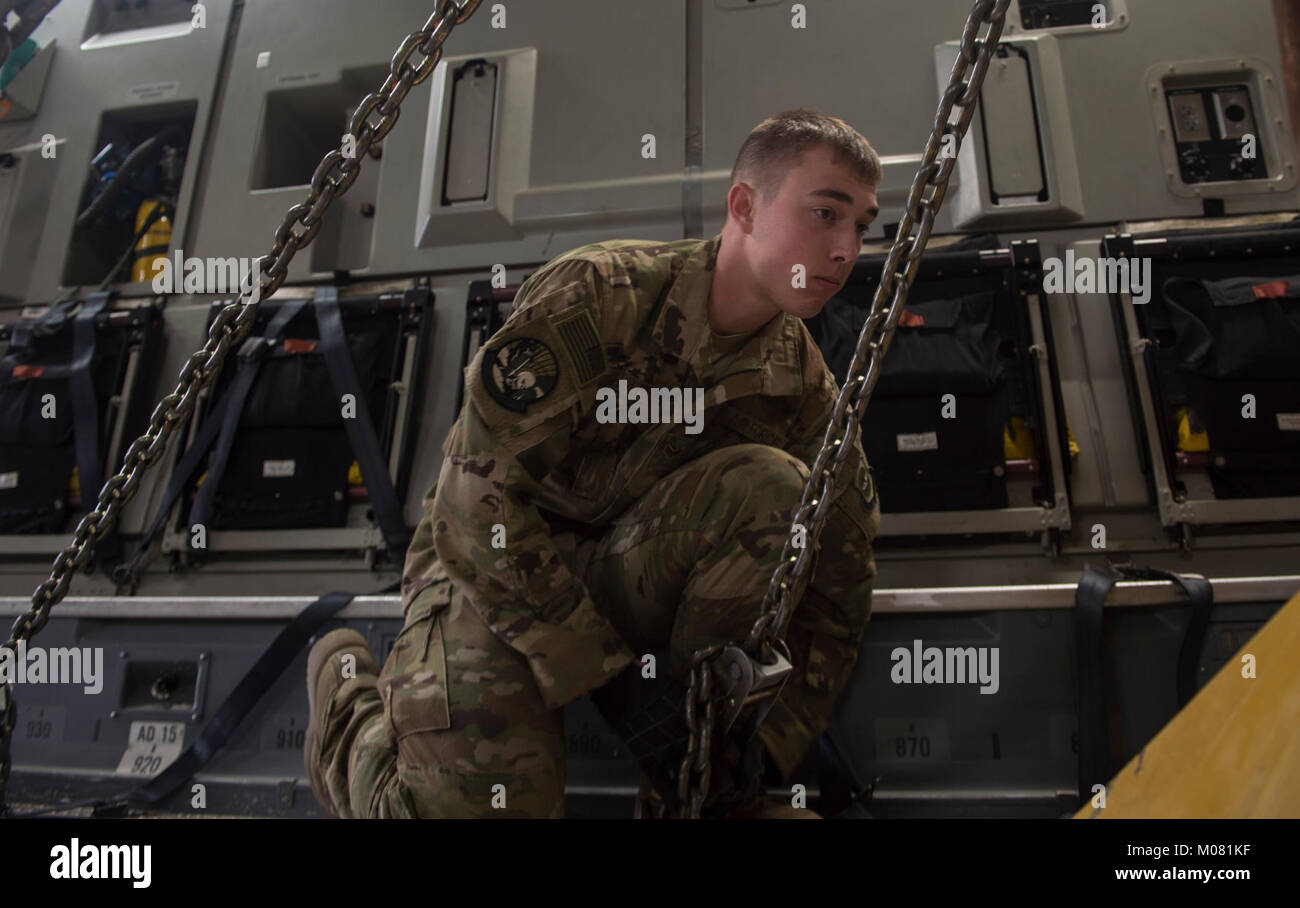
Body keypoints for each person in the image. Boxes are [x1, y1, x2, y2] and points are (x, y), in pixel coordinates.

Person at [305, 109, 883, 818]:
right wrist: (615, 684)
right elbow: (475, 499)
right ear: (744, 205)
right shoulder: (603, 294)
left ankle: (690, 795)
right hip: (488, 566)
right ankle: (347, 712)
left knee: (777, 491)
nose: (845, 248)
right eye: (825, 213)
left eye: (861, 225)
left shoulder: (800, 378)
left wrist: (767, 743)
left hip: (622, 569)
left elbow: (845, 559)